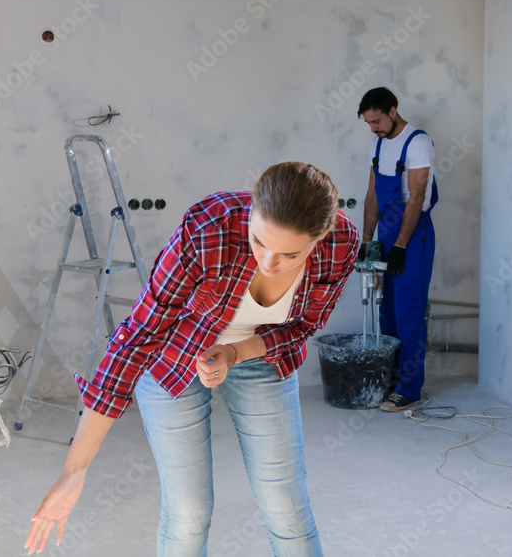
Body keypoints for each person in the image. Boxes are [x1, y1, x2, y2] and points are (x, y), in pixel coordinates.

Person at [25, 161, 358, 556]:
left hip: (261, 356)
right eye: (258, 242)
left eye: (289, 255)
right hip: (173, 353)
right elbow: (139, 337)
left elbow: (303, 325)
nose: (268, 263)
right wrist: (74, 470)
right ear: (251, 212)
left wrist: (235, 352)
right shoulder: (209, 228)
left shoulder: (341, 244)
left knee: (287, 506)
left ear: (321, 236)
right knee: (189, 512)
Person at [357, 87, 439, 412]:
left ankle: (409, 389)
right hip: (386, 235)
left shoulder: (418, 143)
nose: (373, 128)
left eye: (376, 121)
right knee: (387, 310)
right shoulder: (377, 144)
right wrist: (367, 241)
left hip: (413, 236)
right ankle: (390, 381)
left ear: (393, 111)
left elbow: (416, 198)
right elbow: (372, 195)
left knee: (408, 312)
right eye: (368, 123)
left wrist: (401, 246)